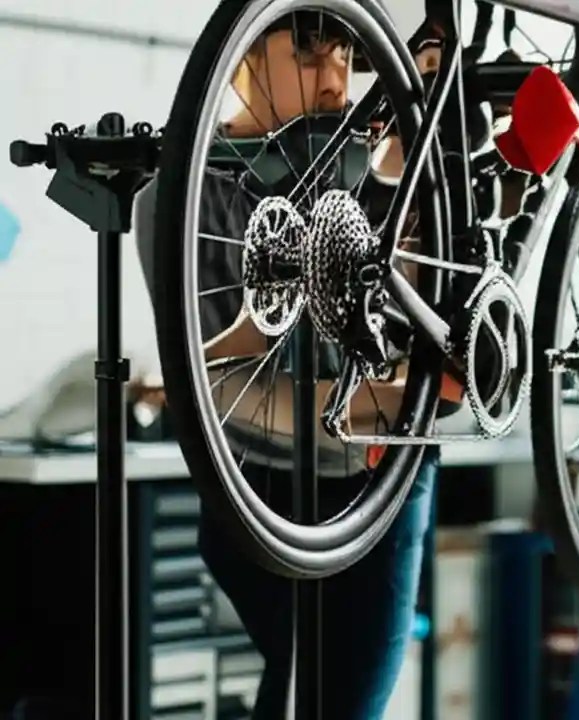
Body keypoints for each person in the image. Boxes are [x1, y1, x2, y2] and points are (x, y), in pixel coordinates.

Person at [133, 16, 443, 718]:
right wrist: (383, 400)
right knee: (311, 692)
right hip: (253, 497)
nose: (336, 81)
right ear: (242, 56)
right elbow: (214, 384)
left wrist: (422, 170)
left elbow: (425, 335)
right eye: (307, 53)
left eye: (344, 57)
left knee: (331, 699)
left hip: (377, 488)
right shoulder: (177, 198)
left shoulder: (373, 179)